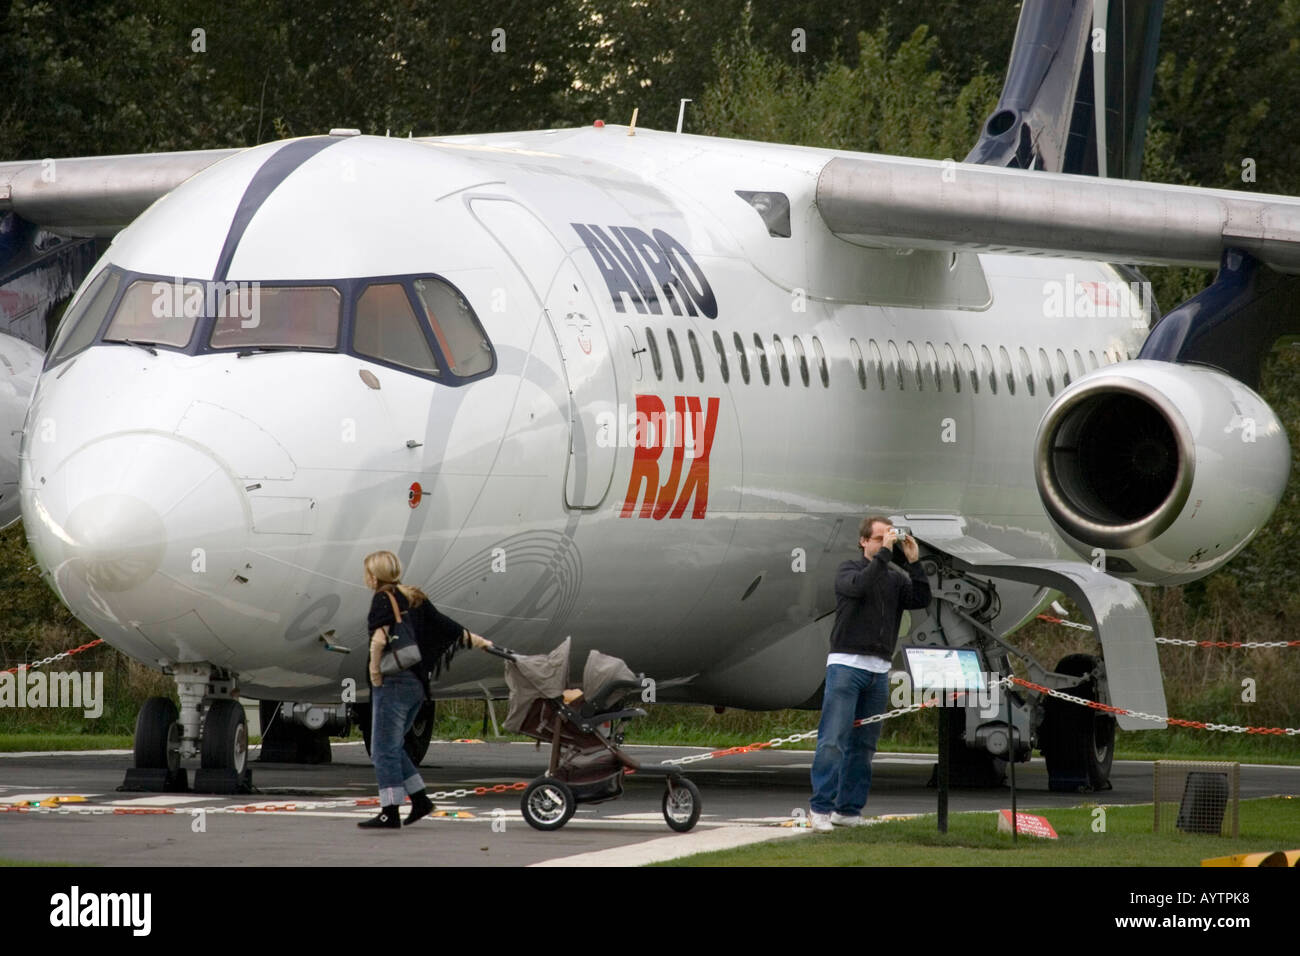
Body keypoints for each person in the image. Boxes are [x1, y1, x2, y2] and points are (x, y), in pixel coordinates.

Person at [809, 516, 931, 831]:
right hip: (847, 666)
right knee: (833, 740)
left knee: (864, 745)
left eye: (886, 538)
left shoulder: (895, 578)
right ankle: (820, 808)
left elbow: (921, 599)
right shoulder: (848, 570)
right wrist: (885, 555)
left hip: (878, 670)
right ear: (864, 541)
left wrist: (914, 563)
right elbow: (860, 586)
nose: (882, 544)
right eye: (877, 539)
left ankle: (847, 810)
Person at [358, 550, 492, 830]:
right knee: (394, 746)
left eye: (367, 572)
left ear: (374, 575)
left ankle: (389, 810)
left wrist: (374, 675)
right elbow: (445, 625)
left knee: (382, 750)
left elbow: (379, 641)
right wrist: (479, 641)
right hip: (417, 684)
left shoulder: (383, 599)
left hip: (392, 683)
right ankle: (420, 800)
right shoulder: (413, 596)